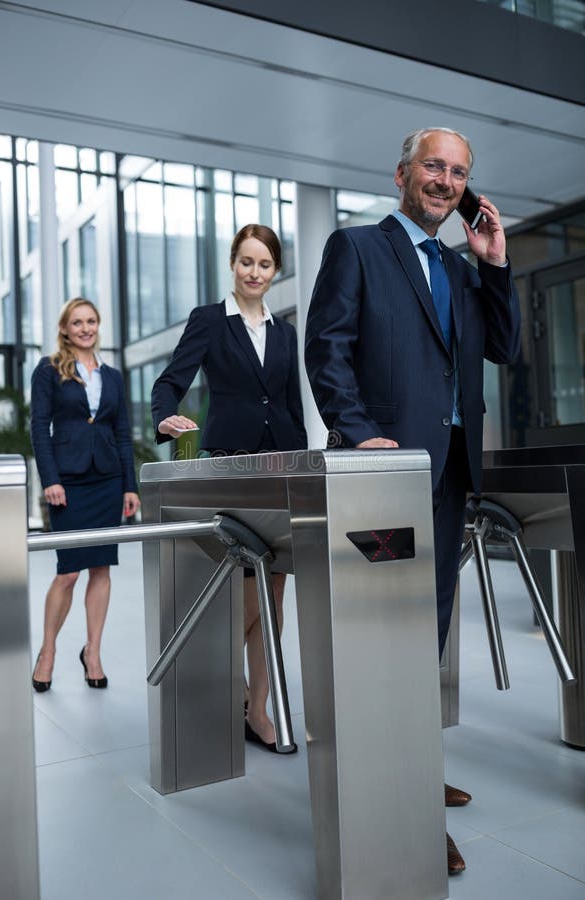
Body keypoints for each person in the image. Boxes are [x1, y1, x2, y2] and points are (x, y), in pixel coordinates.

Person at [305, 127, 521, 874]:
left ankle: (411, 773)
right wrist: (359, 437)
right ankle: (389, 801)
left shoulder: (464, 272)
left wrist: (495, 265)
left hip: (448, 476)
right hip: (382, 478)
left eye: (459, 172)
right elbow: (326, 346)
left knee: (421, 636)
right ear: (402, 172)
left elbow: (506, 348)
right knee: (378, 639)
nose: (446, 180)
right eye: (435, 165)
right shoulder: (358, 248)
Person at [151, 223, 307, 753]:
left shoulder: (285, 332)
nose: (254, 273)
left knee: (275, 594)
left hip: (280, 468)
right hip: (231, 467)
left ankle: (258, 709)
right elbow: (171, 379)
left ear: (275, 271)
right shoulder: (209, 321)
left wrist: (303, 467)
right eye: (246, 262)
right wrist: (165, 417)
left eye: (264, 264)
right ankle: (232, 688)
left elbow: (288, 404)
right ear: (233, 264)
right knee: (244, 594)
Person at [30, 298, 140, 692]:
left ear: (98, 325)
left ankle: (92, 652)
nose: (85, 328)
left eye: (91, 321)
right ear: (65, 328)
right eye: (77, 322)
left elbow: (122, 432)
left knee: (101, 568)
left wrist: (130, 485)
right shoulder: (48, 370)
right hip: (68, 482)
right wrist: (50, 479)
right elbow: (39, 428)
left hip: (108, 480)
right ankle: (48, 651)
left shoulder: (112, 377)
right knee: (68, 571)